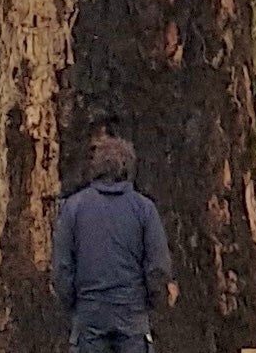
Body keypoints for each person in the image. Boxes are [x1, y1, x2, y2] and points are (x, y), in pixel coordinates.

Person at [51, 136, 177, 353]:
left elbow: (62, 268)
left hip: (89, 317)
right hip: (132, 318)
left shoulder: (74, 208)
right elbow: (157, 266)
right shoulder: (144, 209)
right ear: (128, 168)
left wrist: (75, 305)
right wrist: (151, 301)